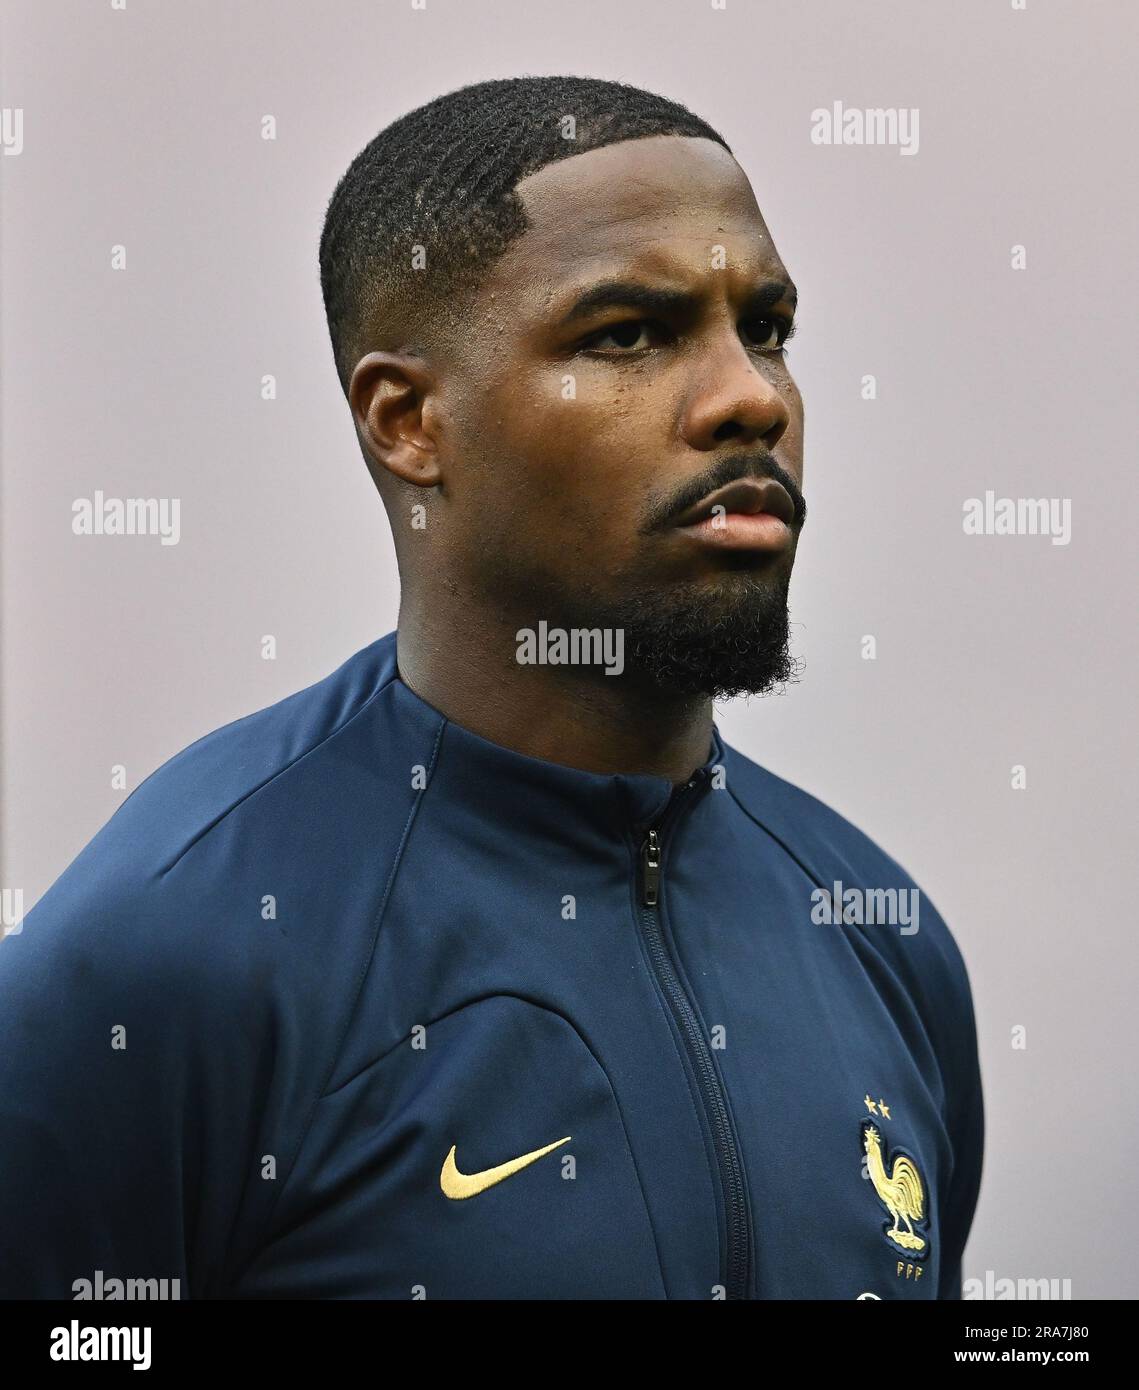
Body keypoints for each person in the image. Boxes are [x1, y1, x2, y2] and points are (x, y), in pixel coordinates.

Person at [0, 75, 982, 1300]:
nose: (752, 397)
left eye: (766, 327)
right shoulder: (161, 962)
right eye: (627, 335)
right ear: (408, 421)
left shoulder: (879, 936)